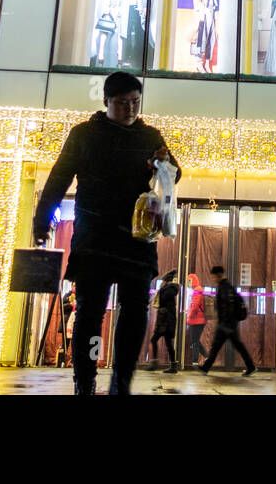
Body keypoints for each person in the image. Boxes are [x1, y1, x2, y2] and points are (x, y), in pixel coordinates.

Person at [32, 71, 181, 395]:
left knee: (135, 309)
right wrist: (41, 221)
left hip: (136, 237)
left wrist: (165, 162)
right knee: (90, 311)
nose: (130, 109)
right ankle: (84, 382)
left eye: (135, 103)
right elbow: (59, 178)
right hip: (94, 234)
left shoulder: (150, 136)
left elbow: (175, 172)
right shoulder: (84, 134)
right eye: (123, 103)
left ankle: (121, 382)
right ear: (106, 102)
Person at [199, 265, 255, 377]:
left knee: (224, 346)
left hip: (227, 324)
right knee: (224, 346)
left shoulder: (224, 287)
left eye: (214, 277)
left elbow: (226, 307)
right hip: (229, 324)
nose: (214, 279)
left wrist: (224, 322)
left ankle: (206, 367)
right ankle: (206, 367)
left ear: (219, 275)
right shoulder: (228, 286)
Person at [149, 270, 179, 373]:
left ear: (166, 281)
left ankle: (155, 363)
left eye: (163, 280)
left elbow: (162, 301)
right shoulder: (168, 289)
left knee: (156, 340)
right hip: (165, 320)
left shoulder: (169, 290)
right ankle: (172, 366)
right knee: (167, 343)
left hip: (166, 321)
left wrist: (160, 291)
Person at [185, 272, 206, 368]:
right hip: (198, 319)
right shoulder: (197, 289)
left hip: (196, 319)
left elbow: (194, 305)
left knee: (194, 341)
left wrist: (189, 316)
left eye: (189, 281)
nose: (188, 283)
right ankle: (206, 356)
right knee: (195, 340)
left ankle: (195, 361)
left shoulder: (197, 290)